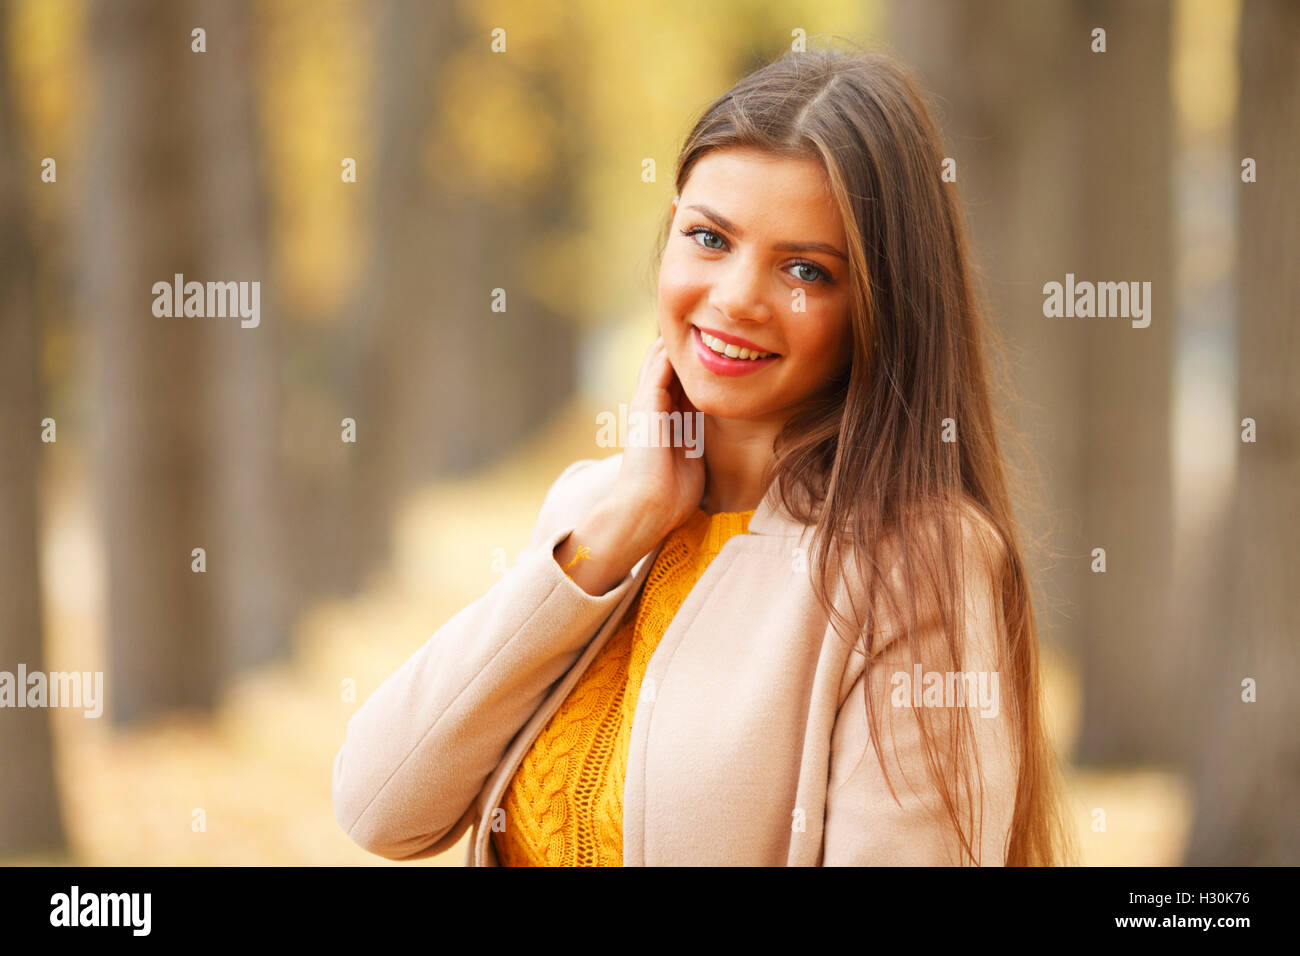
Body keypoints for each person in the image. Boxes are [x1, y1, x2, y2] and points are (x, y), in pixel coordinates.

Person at [332, 45, 1075, 866]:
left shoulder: (914, 564)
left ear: (881, 306)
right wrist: (622, 524)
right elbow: (379, 806)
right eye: (709, 238)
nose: (736, 299)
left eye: (805, 270)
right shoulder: (595, 514)